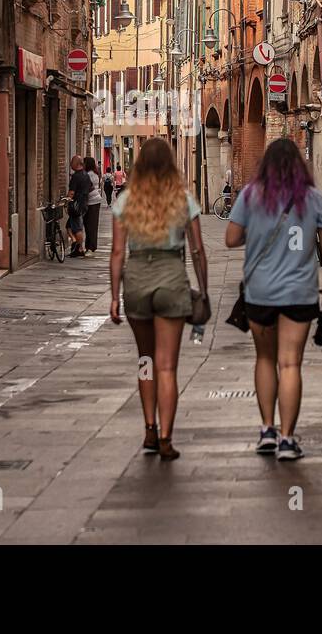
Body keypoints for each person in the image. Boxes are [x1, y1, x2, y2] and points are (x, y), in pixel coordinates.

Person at [225, 138, 322, 461]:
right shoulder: (313, 199)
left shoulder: (250, 196)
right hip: (299, 293)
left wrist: (257, 233)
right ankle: (287, 439)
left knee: (264, 360)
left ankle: (266, 431)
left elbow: (231, 238)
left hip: (260, 292)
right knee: (290, 363)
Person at [108, 137, 207, 461]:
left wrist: (113, 297)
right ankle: (166, 437)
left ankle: (149, 428)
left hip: (136, 279)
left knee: (146, 361)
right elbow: (196, 250)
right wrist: (203, 290)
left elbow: (117, 253)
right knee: (167, 367)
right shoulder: (183, 199)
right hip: (171, 277)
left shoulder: (125, 202)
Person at [66, 155, 92, 257]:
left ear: (76, 164)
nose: (70, 164)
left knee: (77, 228)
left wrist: (67, 200)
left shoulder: (76, 177)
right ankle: (75, 242)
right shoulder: (86, 175)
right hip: (84, 203)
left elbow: (71, 192)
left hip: (76, 205)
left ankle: (80, 248)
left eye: (72, 162)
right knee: (68, 227)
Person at [82, 156, 103, 254]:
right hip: (94, 200)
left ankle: (91, 247)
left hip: (92, 201)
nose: (83, 165)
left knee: (91, 225)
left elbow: (87, 188)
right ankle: (89, 246)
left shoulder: (89, 174)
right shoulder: (94, 173)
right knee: (90, 224)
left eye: (84, 163)